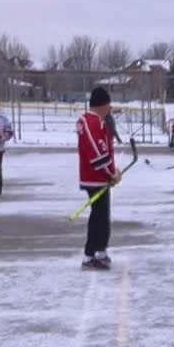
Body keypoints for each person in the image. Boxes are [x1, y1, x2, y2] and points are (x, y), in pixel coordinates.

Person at [75, 87, 120, 270]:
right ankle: (89, 254)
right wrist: (111, 173)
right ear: (102, 105)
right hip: (96, 178)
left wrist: (111, 172)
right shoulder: (93, 123)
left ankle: (100, 251)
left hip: (98, 177)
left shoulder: (91, 121)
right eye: (108, 105)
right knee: (99, 218)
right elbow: (98, 153)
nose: (110, 109)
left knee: (102, 216)